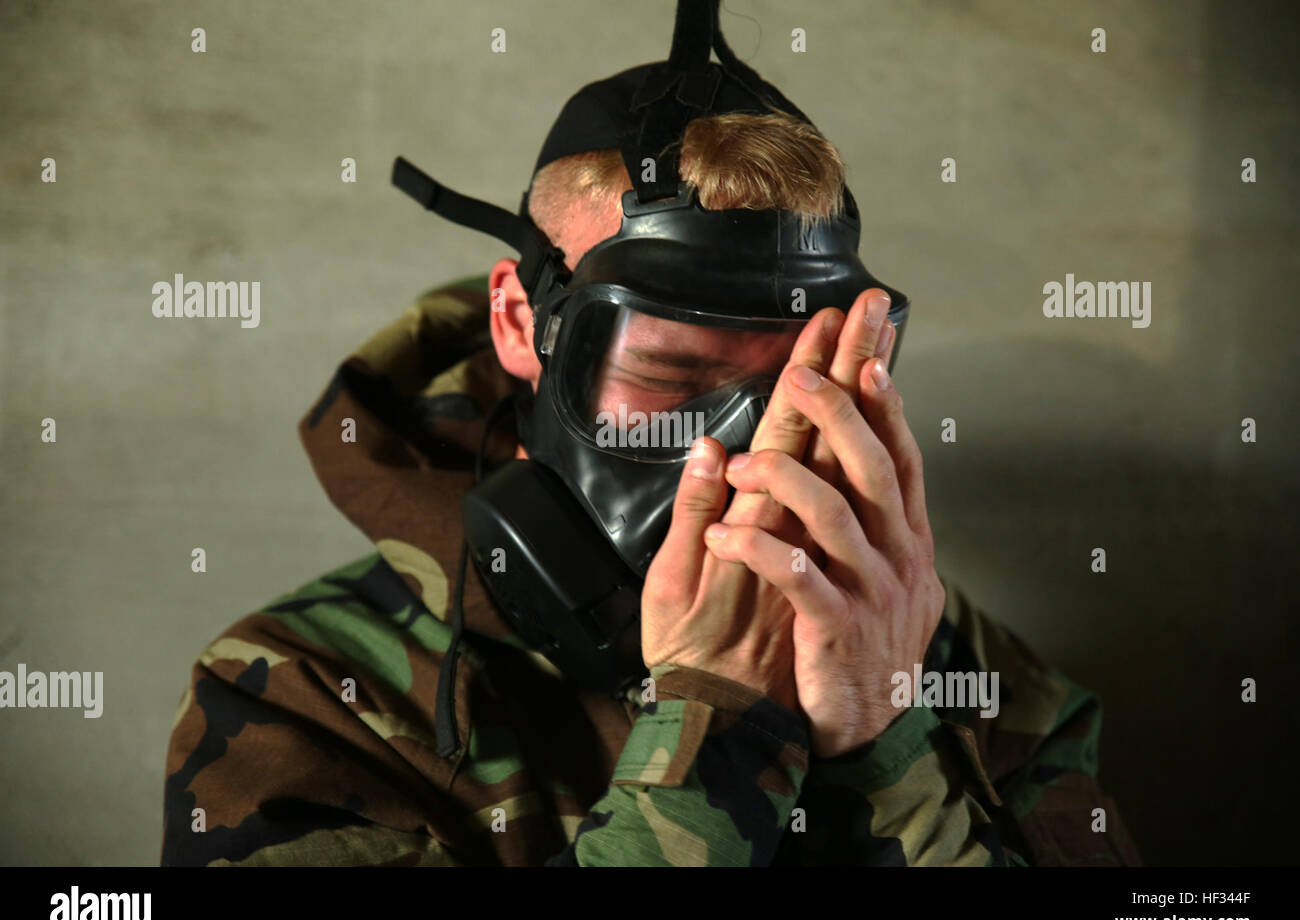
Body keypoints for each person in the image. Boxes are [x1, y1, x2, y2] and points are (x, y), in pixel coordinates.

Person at [161, 2, 1140, 867]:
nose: (748, 457)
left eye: (800, 386)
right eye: (669, 377)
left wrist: (885, 739)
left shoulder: (952, 658)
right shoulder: (303, 697)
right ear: (519, 323)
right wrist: (710, 734)